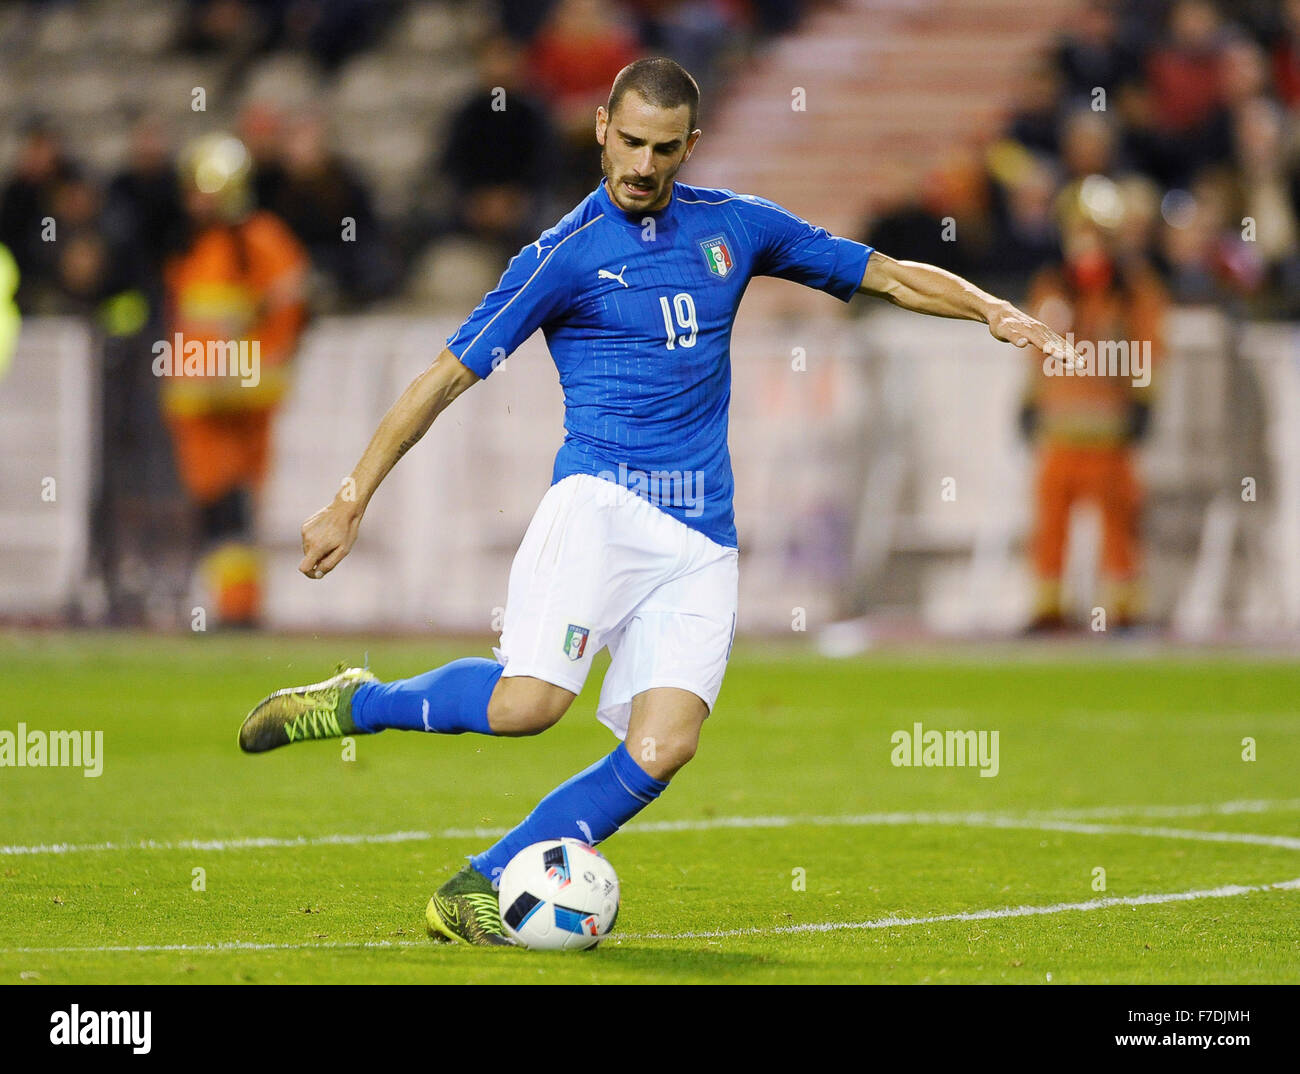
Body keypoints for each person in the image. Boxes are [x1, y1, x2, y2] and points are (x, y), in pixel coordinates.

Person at [237, 58, 1072, 944]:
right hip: (598, 505)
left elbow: (887, 275)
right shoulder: (560, 255)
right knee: (528, 708)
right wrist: (350, 498)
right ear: (601, 127)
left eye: (663, 148)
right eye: (629, 141)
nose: (642, 164)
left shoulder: (735, 228)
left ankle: (476, 885)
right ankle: (361, 701)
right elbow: (445, 377)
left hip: (702, 534)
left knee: (664, 747)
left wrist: (991, 310)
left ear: (690, 147)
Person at [162, 133, 308, 627]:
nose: (191, 200)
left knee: (232, 508)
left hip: (232, 400)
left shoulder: (256, 241)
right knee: (217, 508)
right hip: (201, 402)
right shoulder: (204, 245)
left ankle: (239, 610)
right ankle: (233, 606)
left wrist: (241, 378)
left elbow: (284, 313)